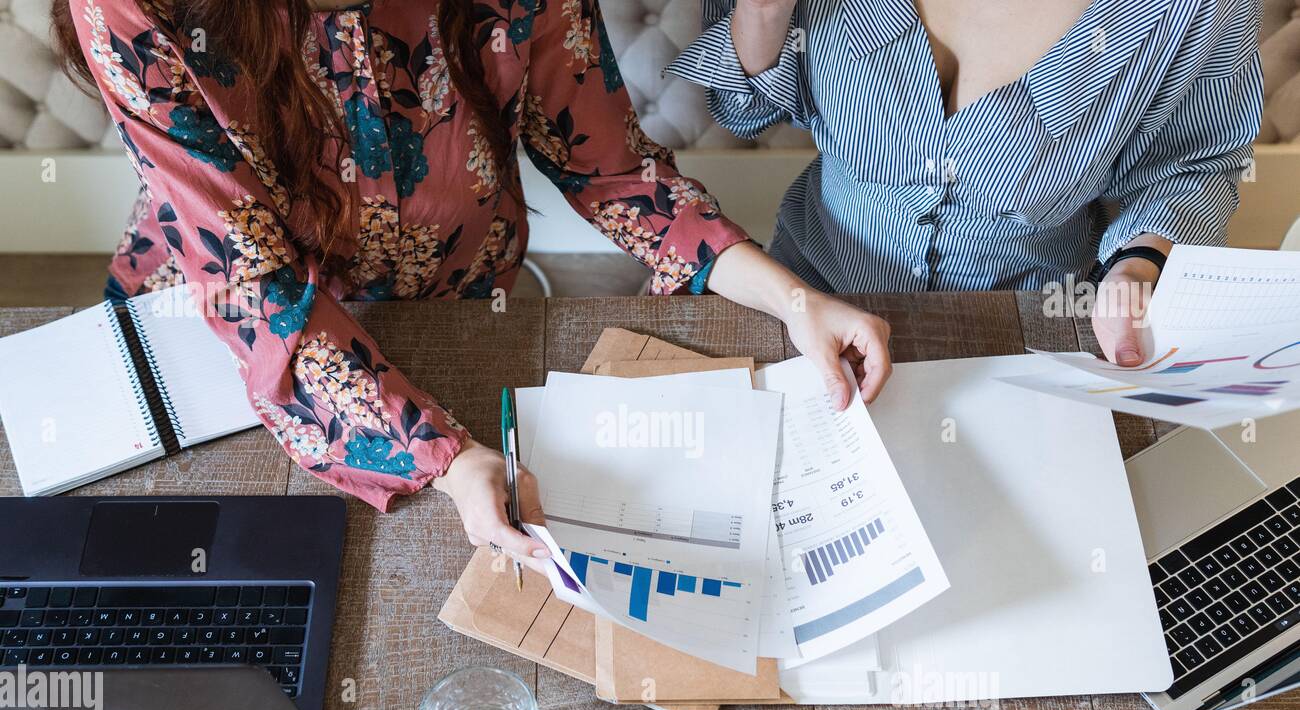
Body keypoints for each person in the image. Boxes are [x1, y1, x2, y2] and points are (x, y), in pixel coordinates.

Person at [53, 0, 892, 575]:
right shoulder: (133, 8)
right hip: (213, 343)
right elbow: (255, 288)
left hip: (453, 317)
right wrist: (443, 458)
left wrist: (795, 301)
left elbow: (615, 173)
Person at [667, 0, 1263, 365]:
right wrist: (764, 12)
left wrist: (1136, 266)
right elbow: (743, 108)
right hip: (809, 294)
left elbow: (1196, 163)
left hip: (1031, 326)